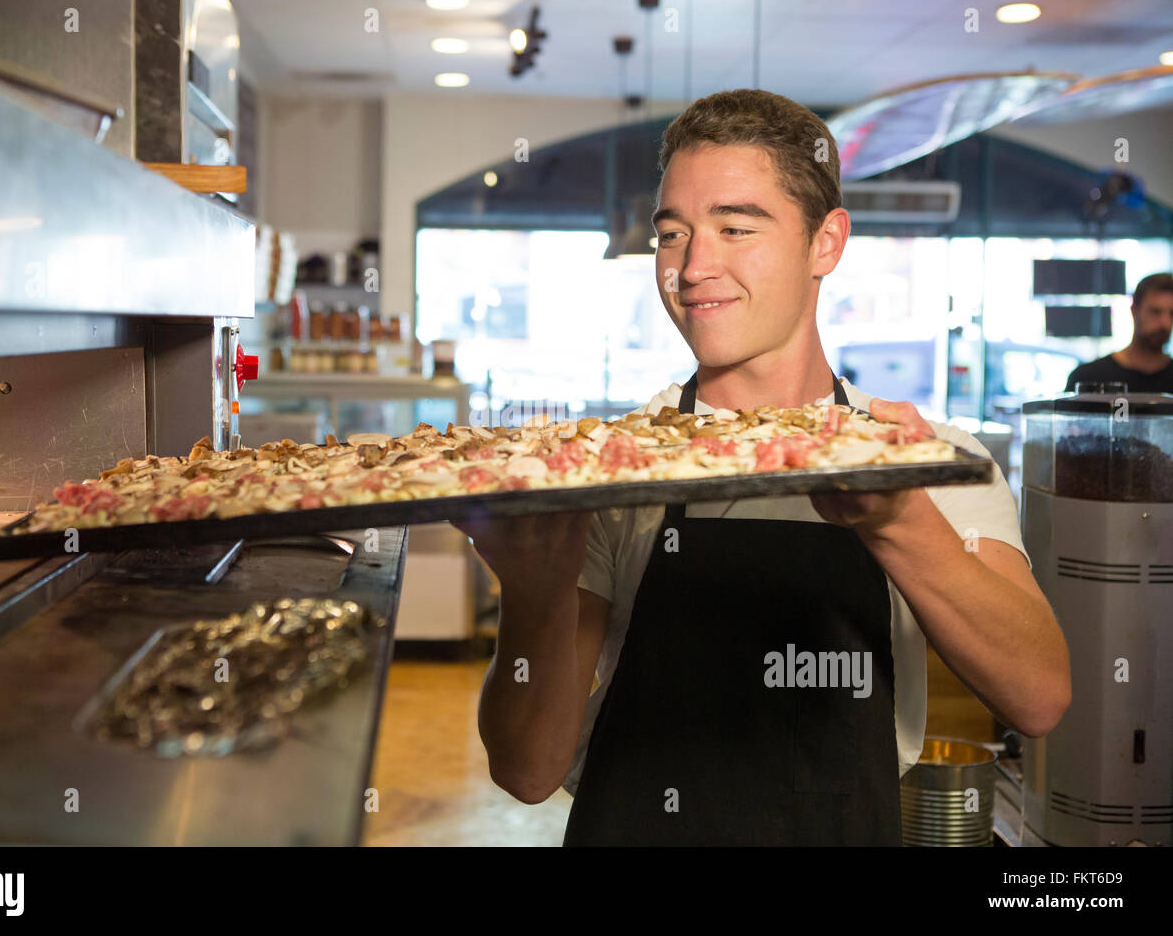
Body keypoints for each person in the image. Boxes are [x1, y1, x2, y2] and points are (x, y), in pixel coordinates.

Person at [453, 89, 1070, 846]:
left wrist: (903, 521)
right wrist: (533, 593)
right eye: (672, 234)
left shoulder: (926, 459)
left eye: (736, 227)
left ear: (827, 243)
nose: (692, 267)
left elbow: (1039, 698)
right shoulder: (614, 468)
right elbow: (525, 770)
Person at [1064, 273, 1173, 393]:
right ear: (1134, 311)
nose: (1165, 323)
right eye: (1155, 312)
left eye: (1172, 314)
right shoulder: (1088, 378)